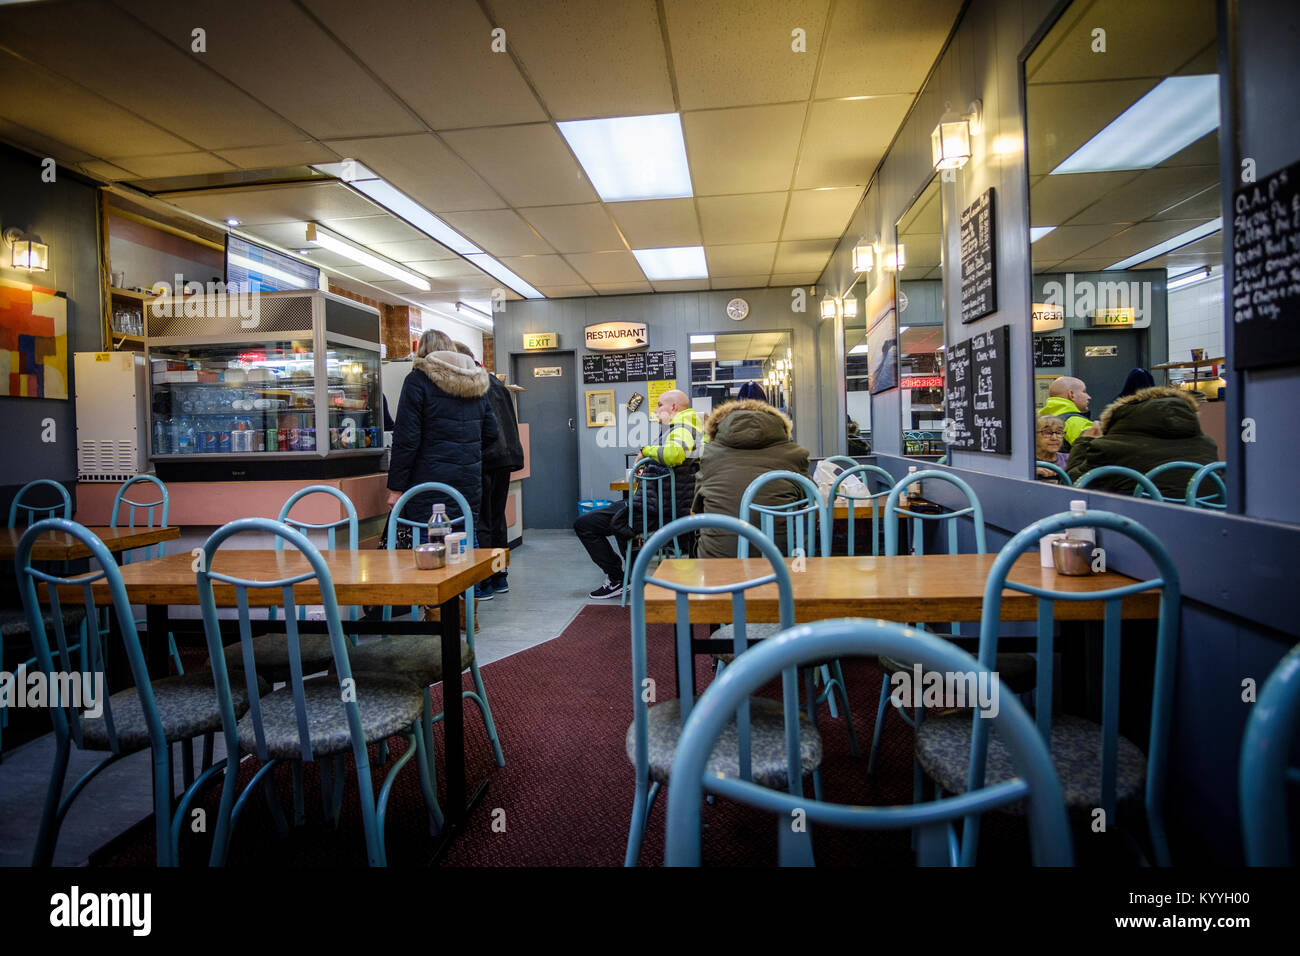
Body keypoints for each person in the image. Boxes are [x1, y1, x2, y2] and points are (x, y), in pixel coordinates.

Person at [387, 329, 499, 581]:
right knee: (464, 539)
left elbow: (406, 439)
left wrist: (396, 488)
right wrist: (467, 453)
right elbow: (491, 432)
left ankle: (436, 612)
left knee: (431, 545)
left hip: (428, 481)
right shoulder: (476, 381)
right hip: (469, 480)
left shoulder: (418, 380)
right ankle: (469, 609)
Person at [574, 389, 703, 599]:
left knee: (586, 525)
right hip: (660, 504)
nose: (656, 409)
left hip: (658, 508)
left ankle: (619, 579)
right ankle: (632, 577)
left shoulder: (683, 426)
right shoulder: (683, 426)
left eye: (660, 404)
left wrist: (646, 450)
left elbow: (673, 454)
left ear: (674, 407)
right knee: (622, 520)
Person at [692, 399, 810, 558]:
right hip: (781, 559)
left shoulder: (708, 455)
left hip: (719, 557)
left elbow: (697, 506)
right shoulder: (796, 454)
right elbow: (809, 498)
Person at [453, 342, 523, 598]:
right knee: (496, 518)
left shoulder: (468, 384)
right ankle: (499, 576)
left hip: (482, 458)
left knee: (480, 519)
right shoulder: (495, 382)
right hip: (505, 458)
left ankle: (482, 582)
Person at [1065, 385, 1218, 496]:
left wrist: (1084, 441)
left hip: (1139, 529)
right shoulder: (1207, 445)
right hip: (1206, 526)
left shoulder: (1110, 447)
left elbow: (1072, 485)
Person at [1038, 375, 1095, 450]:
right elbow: (1095, 451)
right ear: (1071, 395)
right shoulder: (1075, 422)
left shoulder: (1039, 420)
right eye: (1084, 391)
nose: (1089, 397)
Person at [1034, 415, 1068, 481]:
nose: (1054, 438)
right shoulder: (1025, 462)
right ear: (1033, 435)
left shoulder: (1069, 460)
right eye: (1047, 432)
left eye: (1059, 432)